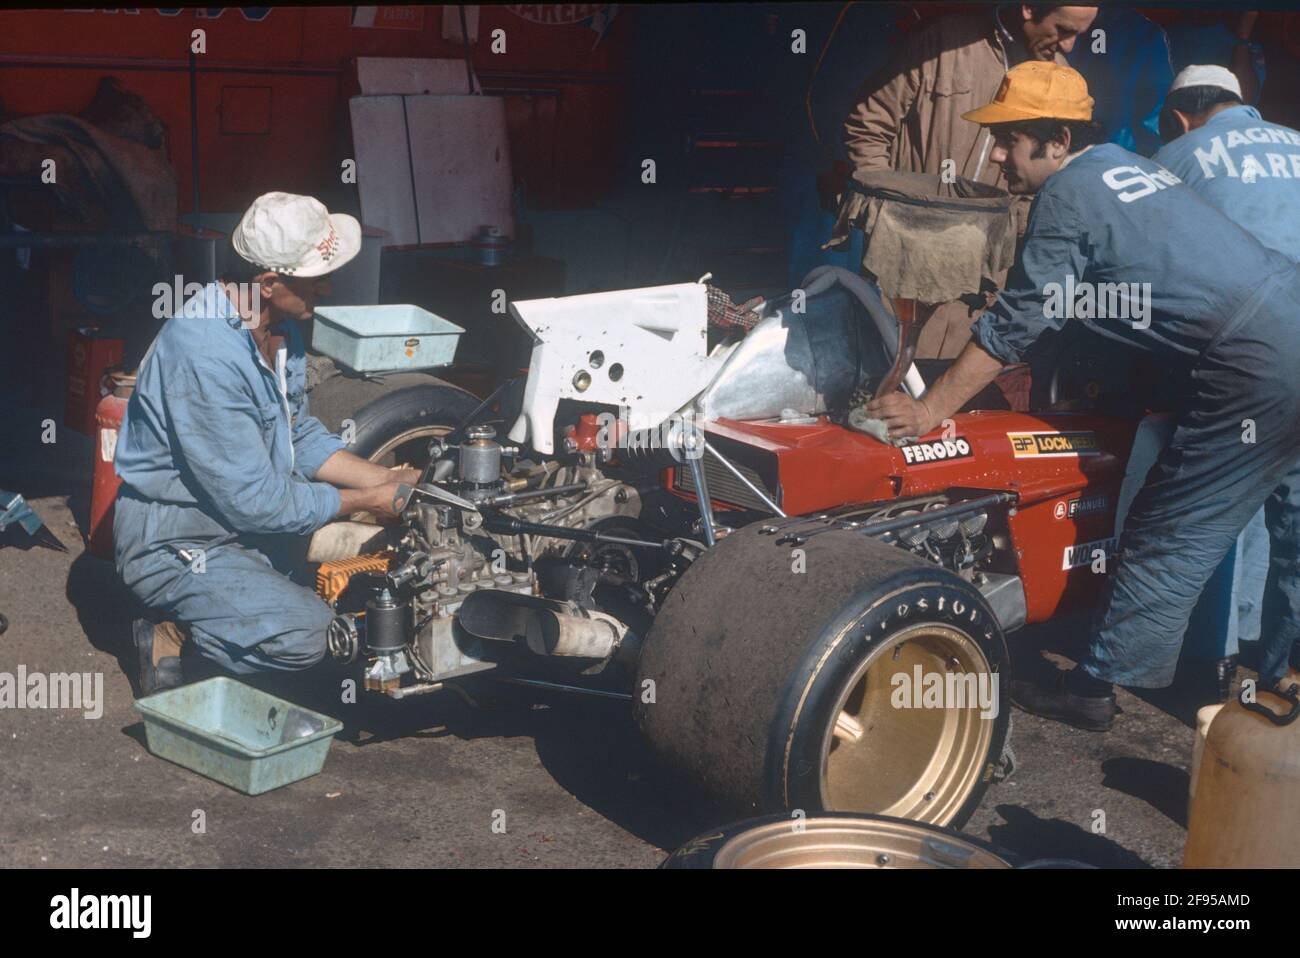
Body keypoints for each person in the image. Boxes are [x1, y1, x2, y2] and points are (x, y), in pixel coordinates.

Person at [866, 61, 1300, 730]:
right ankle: (1285, 691)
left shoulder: (1068, 192)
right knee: (1296, 532)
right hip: (1287, 320)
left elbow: (1017, 323)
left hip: (1256, 362)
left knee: (1173, 527)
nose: (1000, 156)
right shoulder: (1129, 166)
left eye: (1012, 141)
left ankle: (1094, 688)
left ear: (1059, 140)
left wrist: (929, 409)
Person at [114, 192, 413, 694]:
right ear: (269, 283)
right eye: (316, 276)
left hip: (244, 522)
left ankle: (245, 598)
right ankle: (173, 632)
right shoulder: (204, 353)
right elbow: (257, 502)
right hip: (178, 538)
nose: (328, 285)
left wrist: (389, 480)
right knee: (313, 638)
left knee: (385, 578)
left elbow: (297, 434)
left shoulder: (278, 330)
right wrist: (367, 502)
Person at [1154, 64, 1300, 690]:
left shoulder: (1178, 155)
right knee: (1294, 521)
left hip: (1242, 350)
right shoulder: (1297, 142)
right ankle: (1282, 684)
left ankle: (1212, 664)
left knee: (1222, 503)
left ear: (1181, 114)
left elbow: (1151, 257)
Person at [842, 3, 1097, 358]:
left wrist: (1009, 242)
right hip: (903, 260)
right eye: (1063, 30)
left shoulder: (1061, 78)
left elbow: (1046, 182)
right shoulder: (944, 43)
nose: (1069, 46)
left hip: (982, 279)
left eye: (1080, 36)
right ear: (1027, 8)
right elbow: (868, 125)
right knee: (885, 371)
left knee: (957, 392)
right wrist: (891, 214)